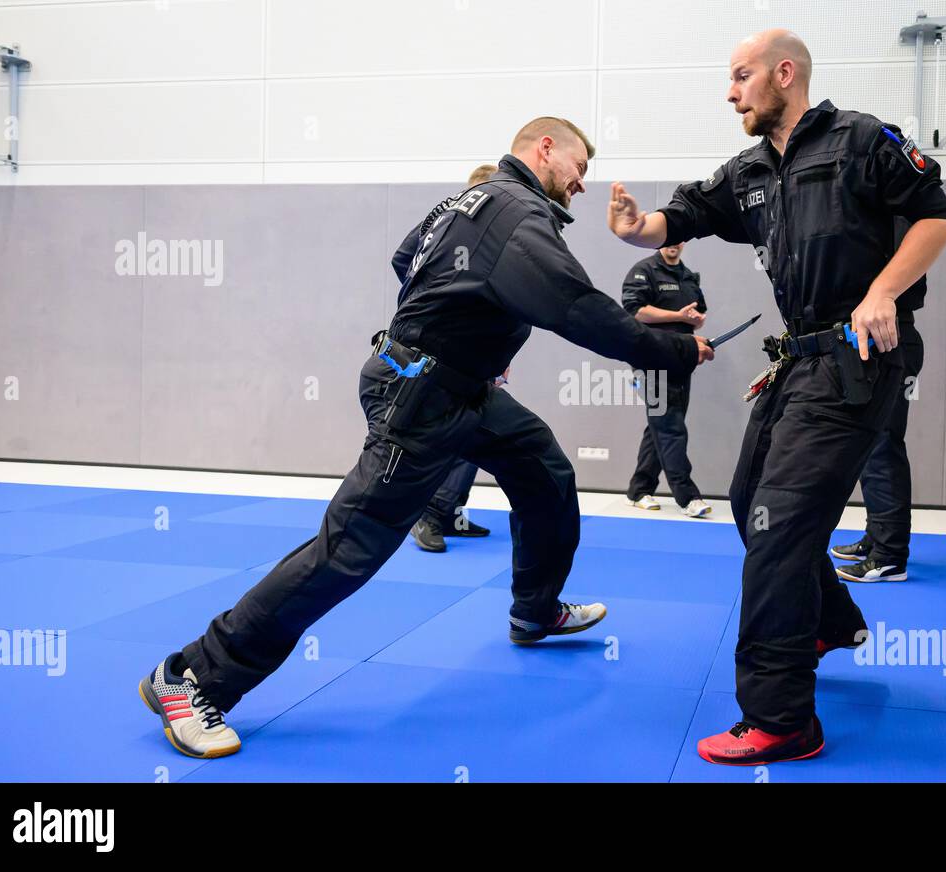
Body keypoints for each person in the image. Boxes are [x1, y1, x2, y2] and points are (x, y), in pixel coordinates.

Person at [139, 117, 714, 759]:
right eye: (580, 165)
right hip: (420, 397)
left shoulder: (467, 202)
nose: (583, 182)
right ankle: (193, 677)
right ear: (544, 148)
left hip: (463, 389)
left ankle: (534, 609)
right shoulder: (518, 212)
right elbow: (578, 310)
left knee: (543, 470)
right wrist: (674, 352)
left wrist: (464, 320)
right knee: (347, 550)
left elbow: (404, 258)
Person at [608, 30, 946, 765]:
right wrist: (638, 229)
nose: (731, 92)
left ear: (784, 73)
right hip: (800, 358)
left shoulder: (862, 140)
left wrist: (881, 293)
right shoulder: (748, 171)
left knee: (778, 529)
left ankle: (782, 718)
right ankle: (830, 620)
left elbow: (934, 216)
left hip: (861, 355)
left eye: (740, 77)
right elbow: (686, 217)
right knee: (749, 500)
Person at [401, 163, 500, 554]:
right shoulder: (464, 220)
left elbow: (401, 260)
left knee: (471, 429)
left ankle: (449, 512)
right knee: (453, 430)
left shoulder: (446, 215)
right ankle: (429, 513)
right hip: (446, 347)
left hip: (465, 344)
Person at [831, 217, 927, 582]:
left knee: (884, 444)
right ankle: (877, 538)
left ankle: (889, 555)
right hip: (874, 336)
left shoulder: (899, 215)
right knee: (873, 446)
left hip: (891, 335)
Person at [621, 241, 712, 518]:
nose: (673, 243)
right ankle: (687, 497)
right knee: (670, 428)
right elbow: (635, 311)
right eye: (668, 238)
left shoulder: (688, 276)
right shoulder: (644, 271)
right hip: (651, 362)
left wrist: (696, 321)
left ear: (684, 242)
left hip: (682, 363)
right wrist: (678, 315)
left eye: (679, 238)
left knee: (660, 427)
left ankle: (639, 490)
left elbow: (698, 316)